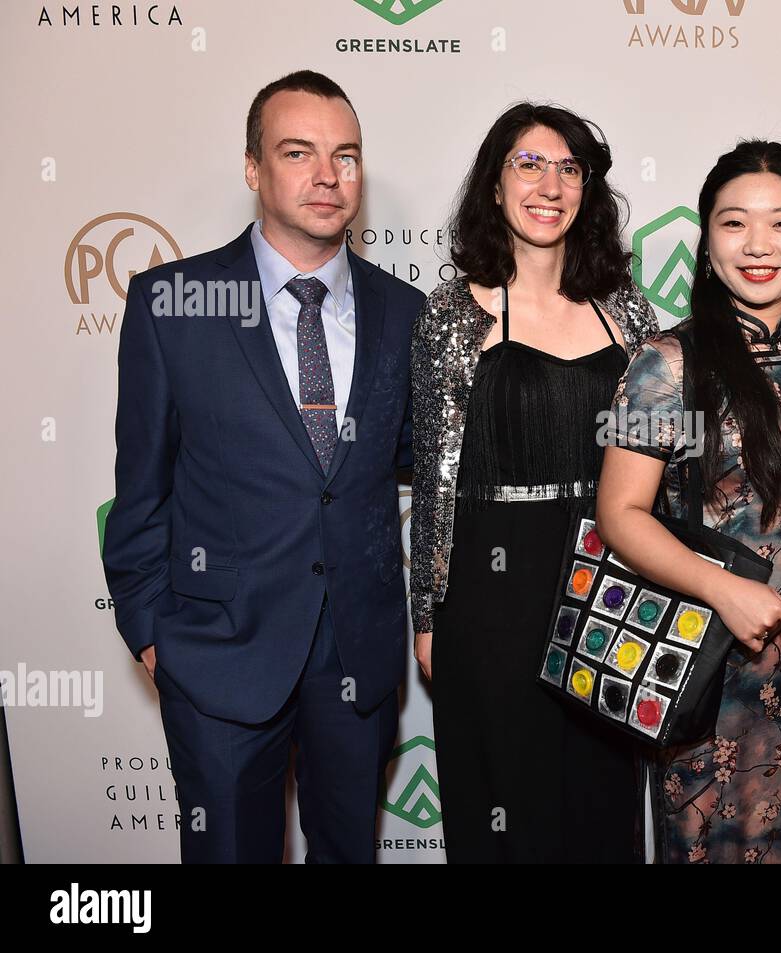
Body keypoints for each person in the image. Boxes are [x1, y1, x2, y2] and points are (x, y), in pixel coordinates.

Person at [102, 70, 424, 863]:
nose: (327, 175)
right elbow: (140, 488)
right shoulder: (170, 302)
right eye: (298, 152)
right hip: (217, 653)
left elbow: (418, 460)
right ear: (253, 168)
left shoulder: (406, 312)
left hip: (357, 656)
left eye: (345, 156)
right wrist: (152, 634)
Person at [407, 103, 660, 863]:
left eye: (569, 167)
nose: (549, 183)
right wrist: (427, 615)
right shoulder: (451, 313)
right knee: (502, 805)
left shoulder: (630, 312)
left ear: (587, 189)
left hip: (611, 581)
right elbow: (432, 477)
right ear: (494, 183)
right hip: (489, 596)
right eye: (528, 162)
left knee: (599, 803)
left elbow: (659, 466)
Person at [596, 140, 781, 863]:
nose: (758, 245)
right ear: (707, 238)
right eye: (734, 222)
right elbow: (619, 513)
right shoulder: (665, 360)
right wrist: (725, 589)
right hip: (711, 662)